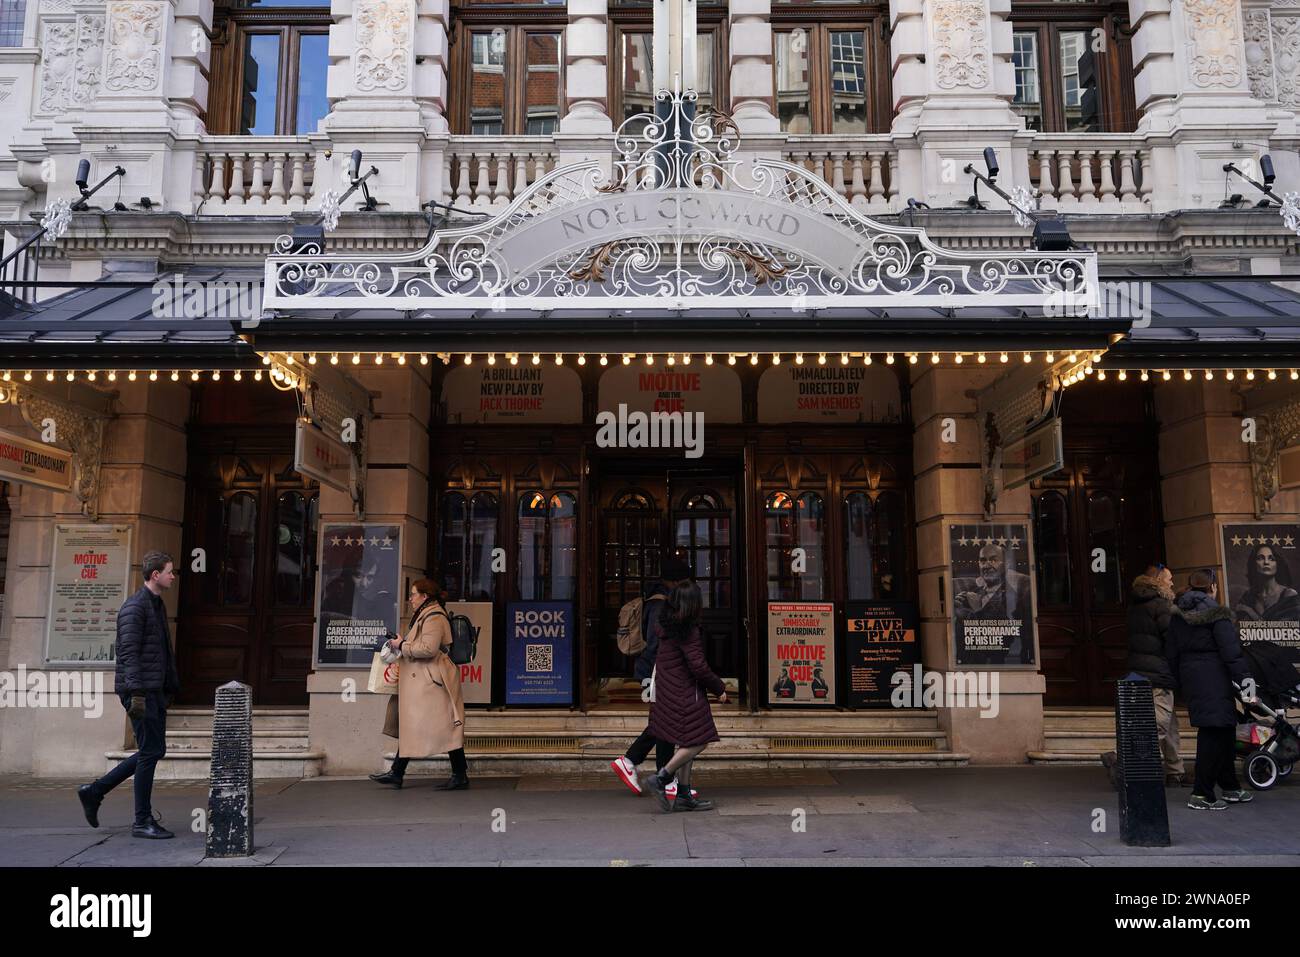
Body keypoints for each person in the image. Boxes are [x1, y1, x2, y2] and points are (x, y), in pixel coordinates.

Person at [77, 551, 180, 839]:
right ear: (155, 575)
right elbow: (128, 654)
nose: (173, 576)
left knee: (154, 750)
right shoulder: (135, 608)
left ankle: (95, 791)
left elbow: (160, 653)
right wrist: (136, 694)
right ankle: (141, 820)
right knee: (150, 752)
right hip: (140, 692)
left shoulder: (155, 605)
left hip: (153, 690)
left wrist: (169, 687)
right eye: (170, 571)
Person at [609, 557, 700, 800]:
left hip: (655, 672)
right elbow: (655, 647)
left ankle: (637, 764)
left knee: (662, 723)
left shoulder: (658, 601)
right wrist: (661, 676)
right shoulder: (661, 606)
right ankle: (650, 770)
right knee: (664, 724)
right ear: (677, 581)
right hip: (655, 673)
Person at [1166, 569, 1255, 811]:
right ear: (1213, 586)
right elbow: (1230, 650)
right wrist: (1245, 678)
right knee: (1212, 734)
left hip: (1193, 677)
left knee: (1224, 729)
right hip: (1215, 676)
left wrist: (1179, 681)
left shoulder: (1178, 614)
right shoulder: (1217, 613)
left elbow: (1171, 650)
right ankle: (1202, 793)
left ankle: (1230, 785)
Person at [369, 578, 468, 790]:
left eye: (413, 594)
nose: (410, 599)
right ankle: (398, 772)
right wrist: (402, 641)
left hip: (431, 682)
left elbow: (428, 649)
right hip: (424, 681)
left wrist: (402, 644)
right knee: (415, 725)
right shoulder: (425, 614)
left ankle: (458, 775)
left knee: (445, 727)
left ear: (425, 596)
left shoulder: (433, 617)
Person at [643, 580, 728, 812]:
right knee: (699, 739)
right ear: (693, 604)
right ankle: (661, 778)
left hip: (668, 690)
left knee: (689, 740)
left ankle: (683, 793)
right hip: (685, 693)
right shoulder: (688, 630)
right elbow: (698, 667)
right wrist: (719, 688)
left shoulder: (667, 625)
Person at [1124, 564, 1186, 786]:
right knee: (1158, 723)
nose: (1172, 583)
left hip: (1139, 671)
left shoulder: (1135, 605)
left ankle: (1175, 770)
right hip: (1159, 672)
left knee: (1169, 723)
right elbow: (1172, 639)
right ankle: (1120, 757)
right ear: (1159, 579)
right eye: (1169, 579)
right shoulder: (1162, 605)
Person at [1235, 544, 1299, 622]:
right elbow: (1240, 628)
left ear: (1277, 564)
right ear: (1254, 564)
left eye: (1271, 559)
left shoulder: (1289, 595)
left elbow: (1284, 629)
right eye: (1260, 558)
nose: (1266, 562)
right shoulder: (1247, 596)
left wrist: (1250, 612)